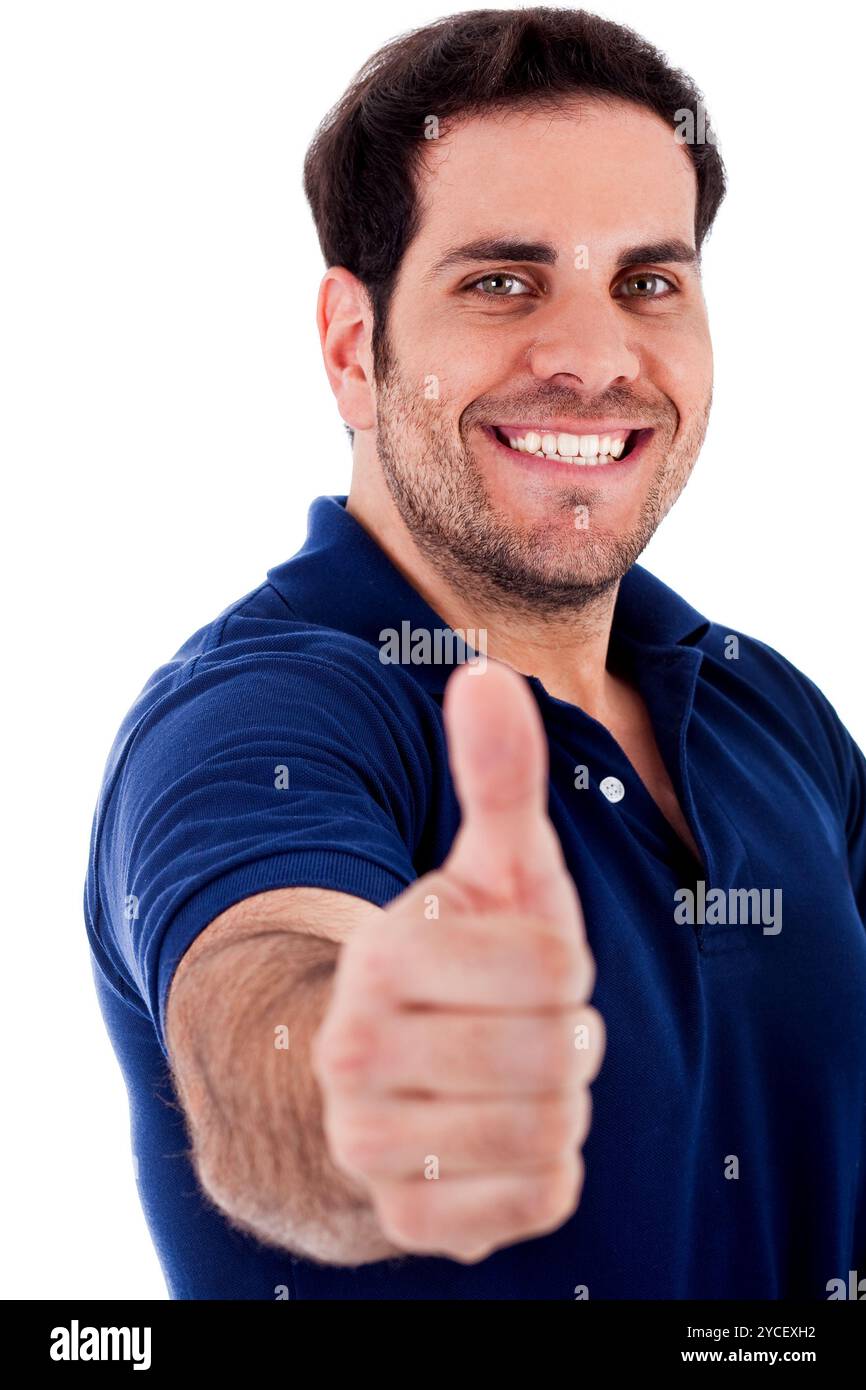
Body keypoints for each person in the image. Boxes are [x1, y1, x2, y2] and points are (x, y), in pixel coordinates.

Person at [84, 8, 866, 1299]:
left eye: (646, 282)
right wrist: (369, 1078)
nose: (591, 358)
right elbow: (262, 994)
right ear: (353, 345)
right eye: (500, 282)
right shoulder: (262, 716)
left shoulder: (761, 705)